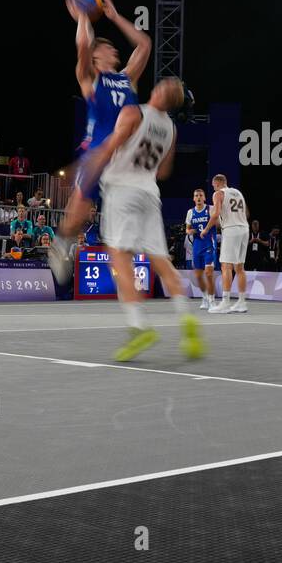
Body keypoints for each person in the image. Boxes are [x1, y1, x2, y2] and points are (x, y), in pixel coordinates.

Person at [80, 77, 203, 361]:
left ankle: (138, 326)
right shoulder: (172, 129)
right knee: (161, 260)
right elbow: (163, 172)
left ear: (162, 92)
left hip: (122, 190)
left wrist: (86, 178)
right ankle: (187, 320)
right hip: (150, 193)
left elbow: (109, 147)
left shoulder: (134, 112)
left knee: (120, 257)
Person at [50, 0, 151, 282]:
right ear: (97, 56)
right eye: (109, 50)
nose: (116, 53)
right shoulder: (90, 78)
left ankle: (122, 249)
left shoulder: (127, 78)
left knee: (129, 211)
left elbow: (144, 44)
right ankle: (62, 243)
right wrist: (83, 14)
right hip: (98, 150)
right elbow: (83, 44)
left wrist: (115, 16)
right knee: (78, 212)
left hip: (126, 155)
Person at [200, 173, 250, 314]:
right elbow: (245, 213)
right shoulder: (238, 193)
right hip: (244, 228)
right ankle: (241, 302)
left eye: (213, 186)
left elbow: (215, 214)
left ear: (216, 184)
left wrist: (206, 229)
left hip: (231, 230)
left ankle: (225, 302)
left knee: (226, 266)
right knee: (240, 267)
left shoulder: (218, 194)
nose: (213, 188)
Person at [186, 187, 218, 310]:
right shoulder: (190, 212)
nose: (199, 197)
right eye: (196, 196)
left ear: (204, 198)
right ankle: (204, 297)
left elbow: (217, 223)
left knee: (209, 274)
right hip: (197, 246)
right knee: (198, 276)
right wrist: (190, 231)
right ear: (194, 199)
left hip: (209, 244)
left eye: (201, 195)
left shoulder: (210, 209)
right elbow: (187, 229)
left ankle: (212, 300)